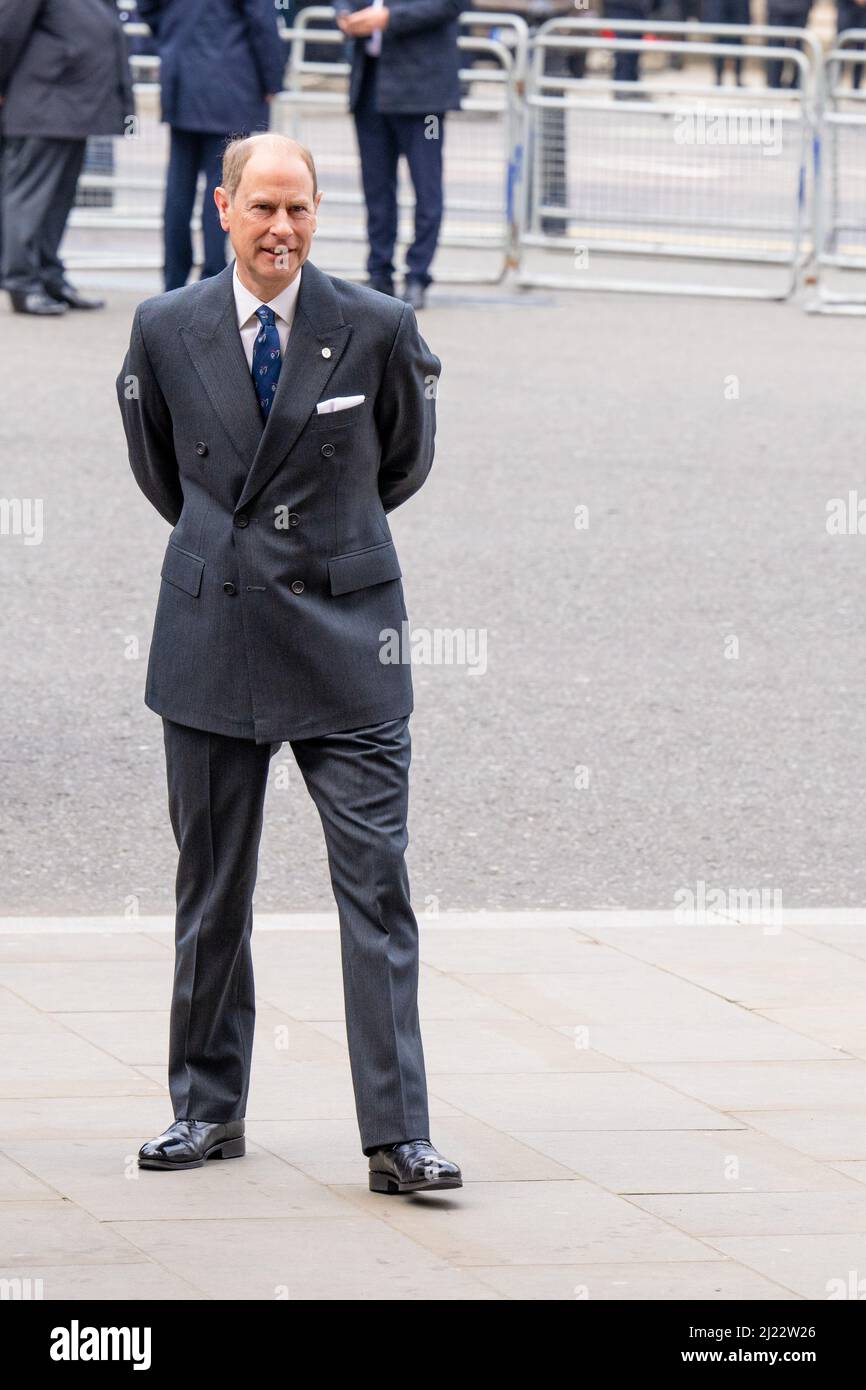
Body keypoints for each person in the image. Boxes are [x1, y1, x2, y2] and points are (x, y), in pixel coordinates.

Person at [115, 131, 462, 1195]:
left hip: (350, 640)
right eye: (261, 208)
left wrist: (315, 546)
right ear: (222, 209)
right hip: (212, 632)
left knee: (376, 891)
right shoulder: (164, 328)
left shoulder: (376, 326)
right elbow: (163, 470)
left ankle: (396, 1137)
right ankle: (206, 1109)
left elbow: (400, 460)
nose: (280, 230)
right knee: (211, 890)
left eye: (298, 210)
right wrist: (234, 552)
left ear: (319, 213)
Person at [136, 0, 286, 291]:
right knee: (225, 191)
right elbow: (262, 23)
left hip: (182, 79)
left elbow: (147, 7)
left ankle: (174, 280)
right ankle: (214, 279)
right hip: (232, 82)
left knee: (179, 189)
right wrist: (273, 80)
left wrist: (172, 38)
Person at [0, 0, 132, 316]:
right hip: (43, 104)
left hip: (75, 107)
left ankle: (48, 276)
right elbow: (6, 32)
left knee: (58, 200)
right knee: (28, 199)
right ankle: (21, 281)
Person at [334, 0, 462, 308]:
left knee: (426, 187)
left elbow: (451, 4)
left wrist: (388, 18)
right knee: (376, 188)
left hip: (423, 90)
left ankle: (417, 275)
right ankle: (380, 271)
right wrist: (343, 14)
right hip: (371, 84)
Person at [701, 0, 751, 85]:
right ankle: (718, 78)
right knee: (719, 41)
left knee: (738, 42)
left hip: (738, 7)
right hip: (721, 7)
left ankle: (738, 78)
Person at [765, 0, 812, 89]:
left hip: (798, 7)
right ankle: (775, 83)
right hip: (780, 7)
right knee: (776, 47)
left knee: (796, 46)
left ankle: (793, 84)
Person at [836, 0, 866, 91]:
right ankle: (836, 85)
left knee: (860, 48)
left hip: (863, 12)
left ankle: (856, 87)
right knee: (841, 46)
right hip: (846, 7)